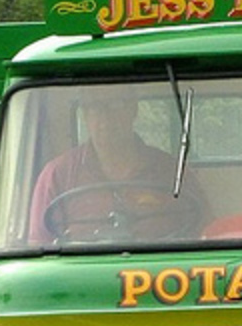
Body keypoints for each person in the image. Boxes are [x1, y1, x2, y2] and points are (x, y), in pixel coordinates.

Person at [29, 87, 207, 243]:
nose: (105, 117)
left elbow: (205, 235)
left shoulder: (174, 173)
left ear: (133, 109)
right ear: (84, 114)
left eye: (116, 104)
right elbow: (40, 249)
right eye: (95, 106)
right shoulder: (57, 175)